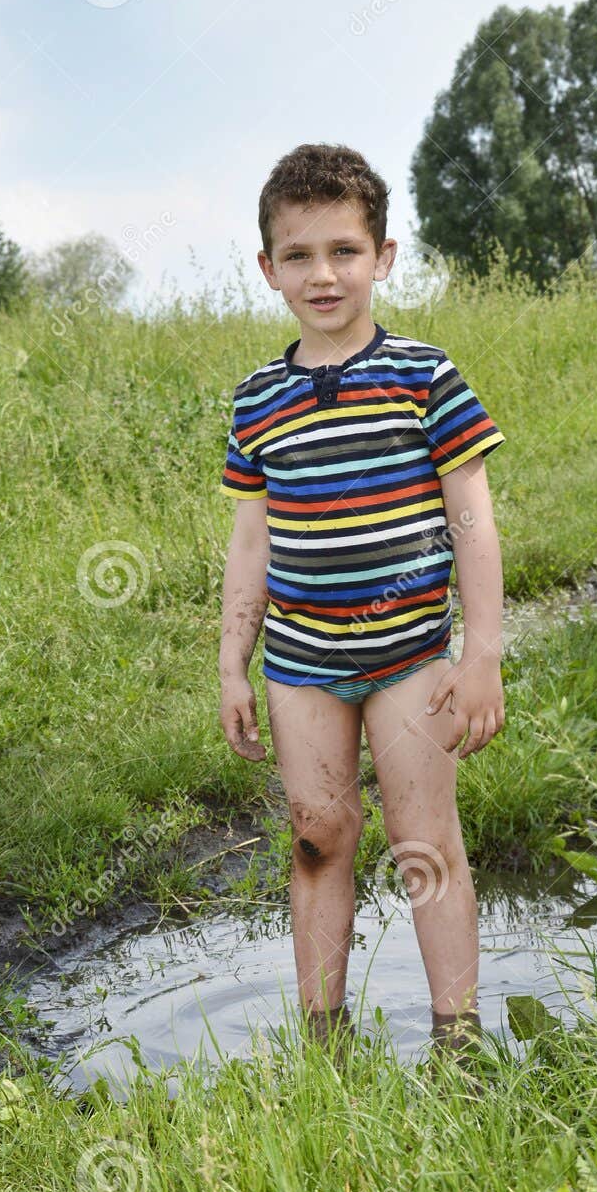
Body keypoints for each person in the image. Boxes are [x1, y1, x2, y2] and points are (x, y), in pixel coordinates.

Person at [218, 143, 506, 1062]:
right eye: (298, 256)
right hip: (301, 664)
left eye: (344, 250)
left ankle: (457, 1040)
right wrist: (232, 660)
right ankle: (323, 1038)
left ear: (382, 256)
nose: (323, 274)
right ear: (268, 270)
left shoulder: (425, 377)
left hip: (410, 660)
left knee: (422, 841)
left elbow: (472, 522)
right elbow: (253, 540)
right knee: (317, 835)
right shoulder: (259, 400)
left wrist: (482, 654)